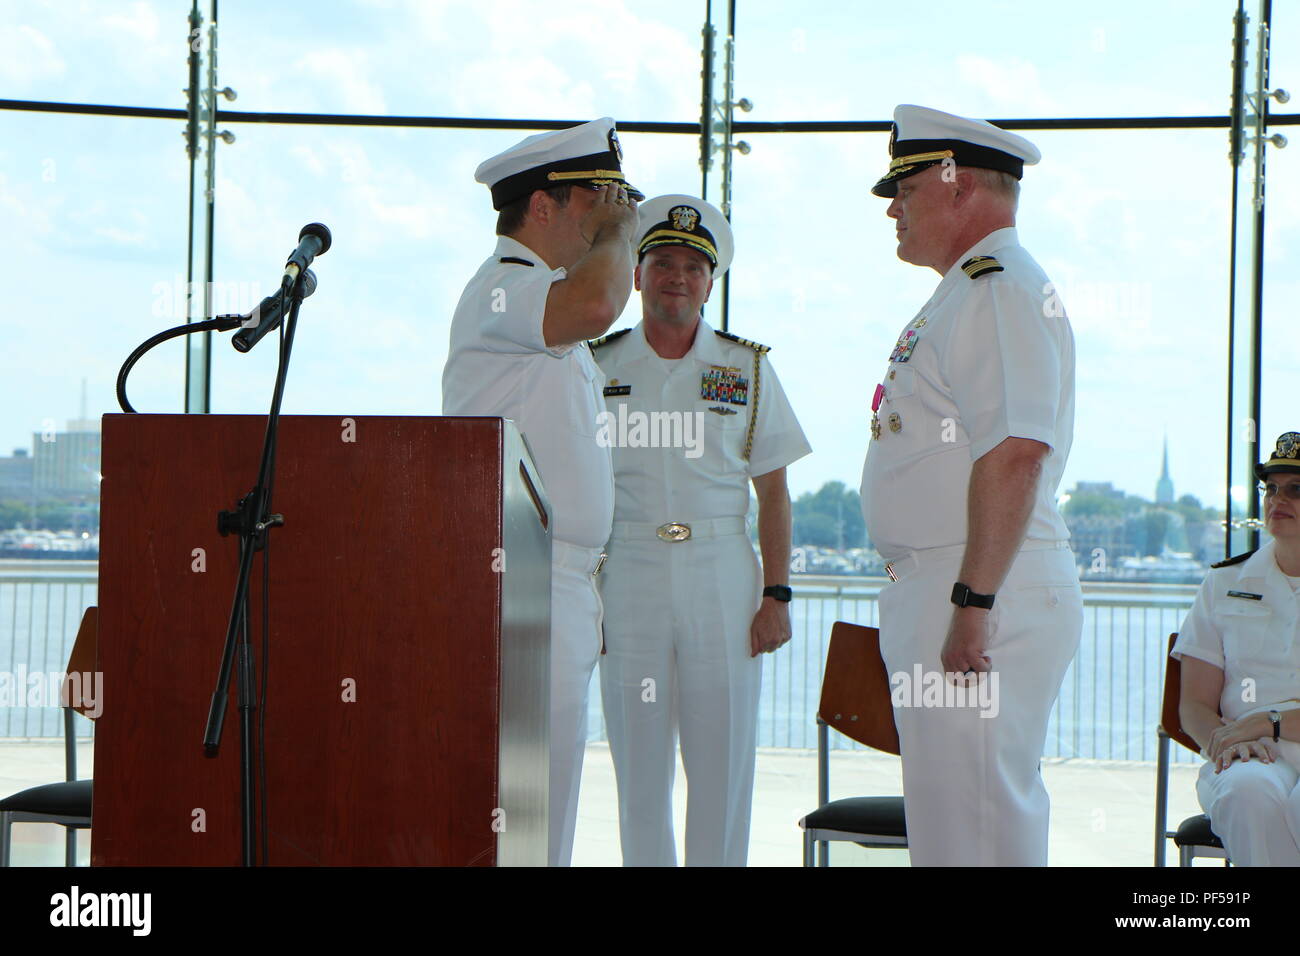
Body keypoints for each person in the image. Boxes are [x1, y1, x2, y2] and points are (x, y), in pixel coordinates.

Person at [859, 105, 1081, 866]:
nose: (893, 207)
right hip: (957, 584)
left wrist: (973, 604)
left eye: (905, 187)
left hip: (980, 586)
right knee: (958, 829)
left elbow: (1017, 451)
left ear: (957, 187)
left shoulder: (997, 287)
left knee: (979, 830)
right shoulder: (967, 290)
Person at [441, 117, 641, 866]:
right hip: (517, 584)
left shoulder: (540, 302)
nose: (611, 219)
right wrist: (624, 230)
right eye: (600, 201)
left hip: (556, 586)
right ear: (545, 207)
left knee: (539, 817)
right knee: (513, 818)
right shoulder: (506, 291)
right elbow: (598, 305)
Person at [591, 194, 811, 865]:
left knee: (721, 765)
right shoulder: (595, 366)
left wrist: (777, 594)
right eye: (662, 263)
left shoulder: (745, 369)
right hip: (627, 573)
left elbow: (773, 488)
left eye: (692, 266)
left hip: (722, 573)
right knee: (638, 762)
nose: (677, 278)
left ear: (710, 282)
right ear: (636, 274)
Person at [1173, 431, 1300, 865]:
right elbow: (1193, 703)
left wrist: (1271, 722)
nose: (1277, 498)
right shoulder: (1225, 583)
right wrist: (1222, 743)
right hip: (1248, 756)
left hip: (1267, 733)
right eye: (1272, 488)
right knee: (1249, 795)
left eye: (1296, 489)